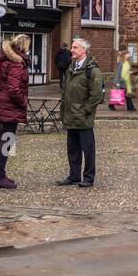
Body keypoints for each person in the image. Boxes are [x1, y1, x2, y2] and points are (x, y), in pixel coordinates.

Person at [56, 38, 104, 188]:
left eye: (75, 47)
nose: (72, 50)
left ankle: (89, 177)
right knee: (72, 148)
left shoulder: (92, 70)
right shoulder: (71, 68)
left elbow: (97, 95)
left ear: (84, 50)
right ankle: (74, 175)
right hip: (71, 115)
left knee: (88, 149)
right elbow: (66, 91)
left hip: (83, 116)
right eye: (72, 47)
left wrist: (86, 110)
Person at [0, 35, 31, 189]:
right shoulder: (16, 63)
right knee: (8, 140)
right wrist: (22, 101)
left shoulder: (5, 59)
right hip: (10, 107)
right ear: (24, 46)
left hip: (2, 104)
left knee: (2, 140)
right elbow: (14, 88)